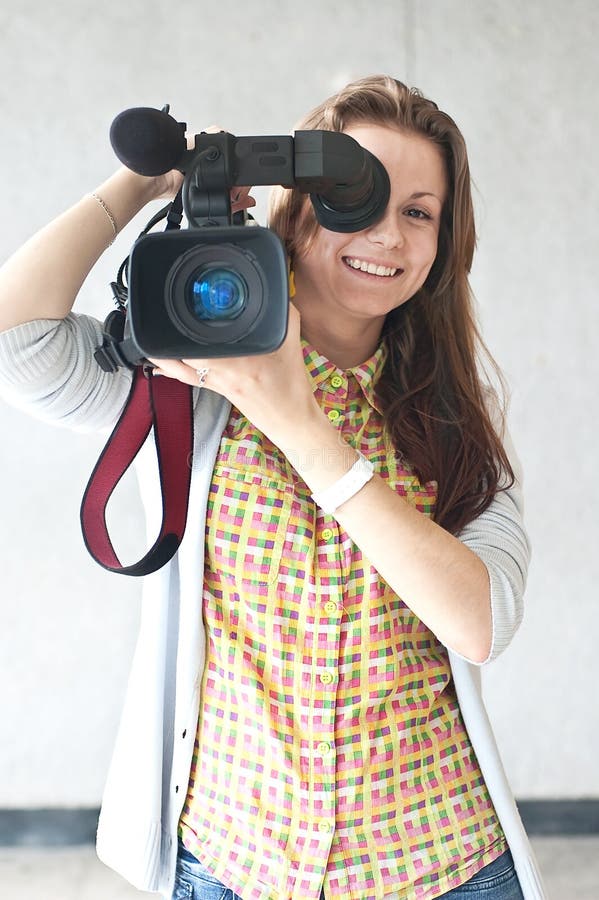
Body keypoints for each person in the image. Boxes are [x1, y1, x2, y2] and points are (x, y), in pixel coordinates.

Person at [0, 75, 547, 900]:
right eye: (354, 196)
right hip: (231, 861)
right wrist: (145, 183)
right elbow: (18, 344)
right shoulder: (189, 372)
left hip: (443, 866)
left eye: (418, 212)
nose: (385, 235)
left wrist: (298, 422)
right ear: (293, 211)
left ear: (442, 243)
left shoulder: (452, 416)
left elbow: (480, 622)